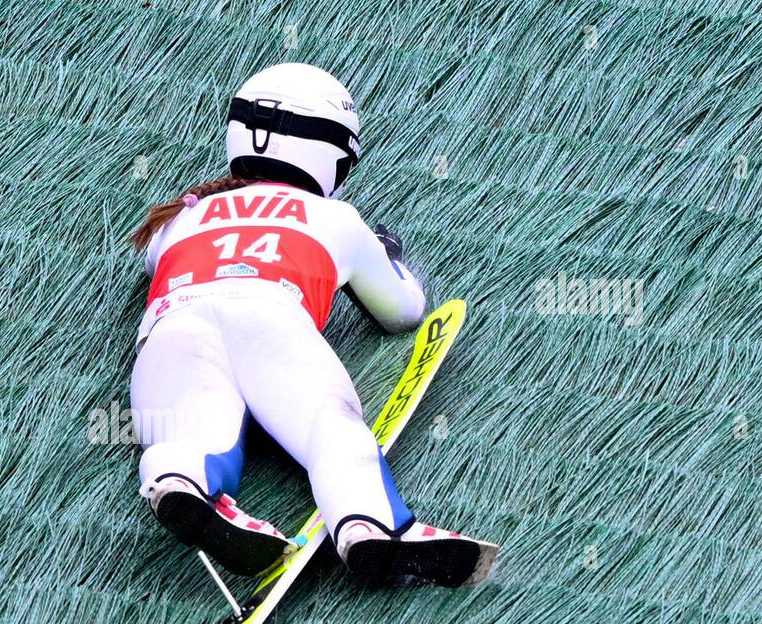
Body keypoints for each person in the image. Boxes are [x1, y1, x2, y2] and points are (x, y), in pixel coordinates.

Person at [127, 63, 495, 587]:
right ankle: (370, 523)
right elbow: (403, 311)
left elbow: (155, 263)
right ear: (332, 152)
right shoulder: (337, 219)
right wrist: (387, 254)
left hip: (170, 328)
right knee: (331, 428)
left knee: (190, 431)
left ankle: (176, 473)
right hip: (271, 320)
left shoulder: (181, 218)